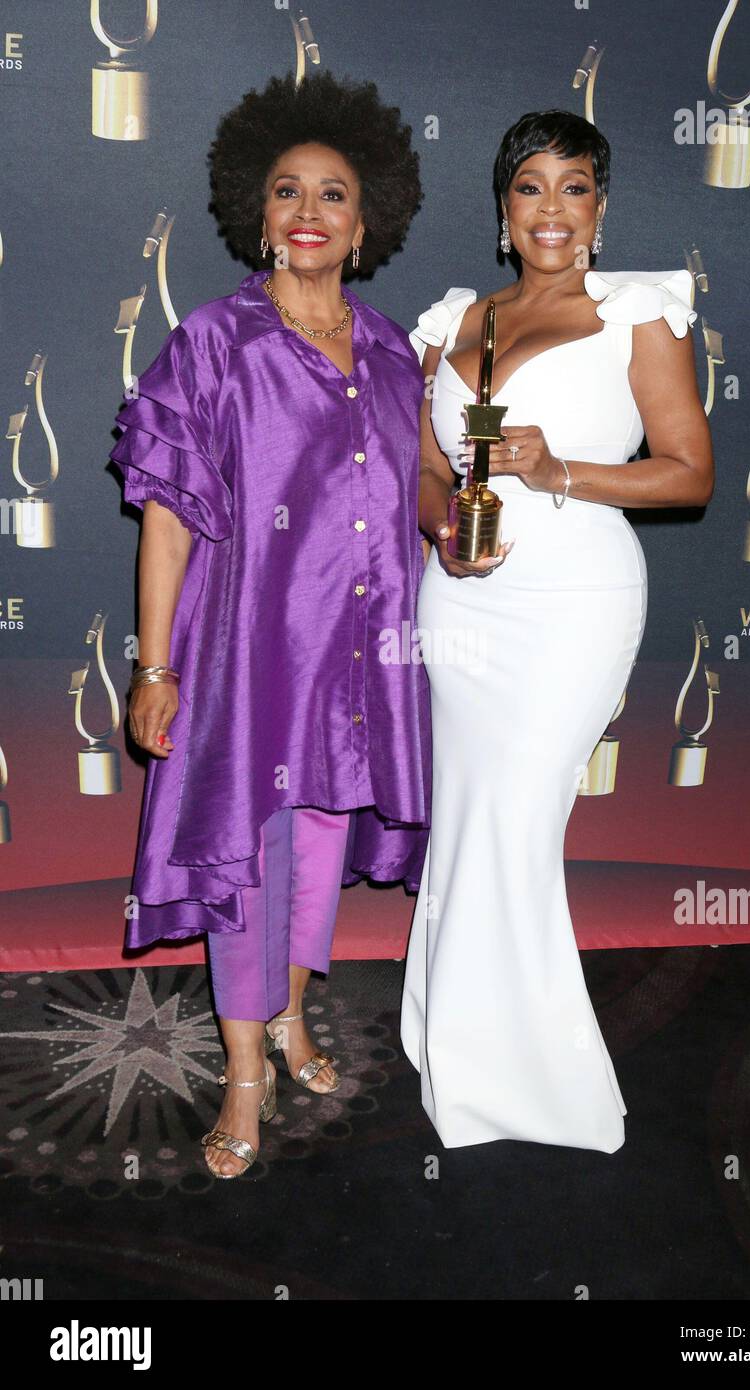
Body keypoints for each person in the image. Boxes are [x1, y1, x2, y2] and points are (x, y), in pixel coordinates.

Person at [109, 70, 430, 1178]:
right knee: (246, 864)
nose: (307, 210)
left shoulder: (393, 356)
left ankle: (293, 1016)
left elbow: (414, 509)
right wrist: (154, 665)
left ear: (365, 219)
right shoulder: (214, 343)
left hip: (355, 661)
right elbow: (165, 519)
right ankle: (245, 1070)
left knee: (321, 850)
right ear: (257, 212)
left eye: (332, 194)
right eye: (287, 191)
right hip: (244, 662)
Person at [400, 109, 714, 1150]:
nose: (549, 207)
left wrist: (557, 471)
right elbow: (427, 468)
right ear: (501, 208)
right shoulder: (452, 322)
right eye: (528, 185)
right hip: (461, 598)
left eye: (572, 186)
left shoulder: (638, 315)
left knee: (516, 826)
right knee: (466, 816)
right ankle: (448, 1034)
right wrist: (448, 531)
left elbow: (687, 472)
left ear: (599, 206)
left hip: (575, 600)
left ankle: (523, 1078)